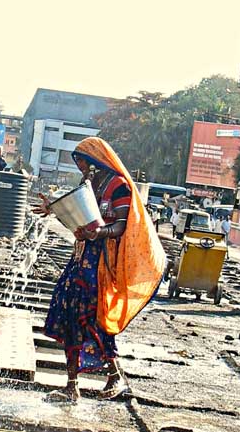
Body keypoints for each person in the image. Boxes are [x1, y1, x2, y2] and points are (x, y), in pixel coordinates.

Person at [37, 137, 164, 402]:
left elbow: (120, 226)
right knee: (69, 313)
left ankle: (114, 375)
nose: (80, 166)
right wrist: (54, 210)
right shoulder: (89, 185)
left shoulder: (118, 186)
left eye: (83, 161)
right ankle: (71, 386)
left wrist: (98, 233)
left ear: (96, 159)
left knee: (94, 317)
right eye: (78, 162)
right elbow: (77, 216)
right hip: (81, 258)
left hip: (101, 263)